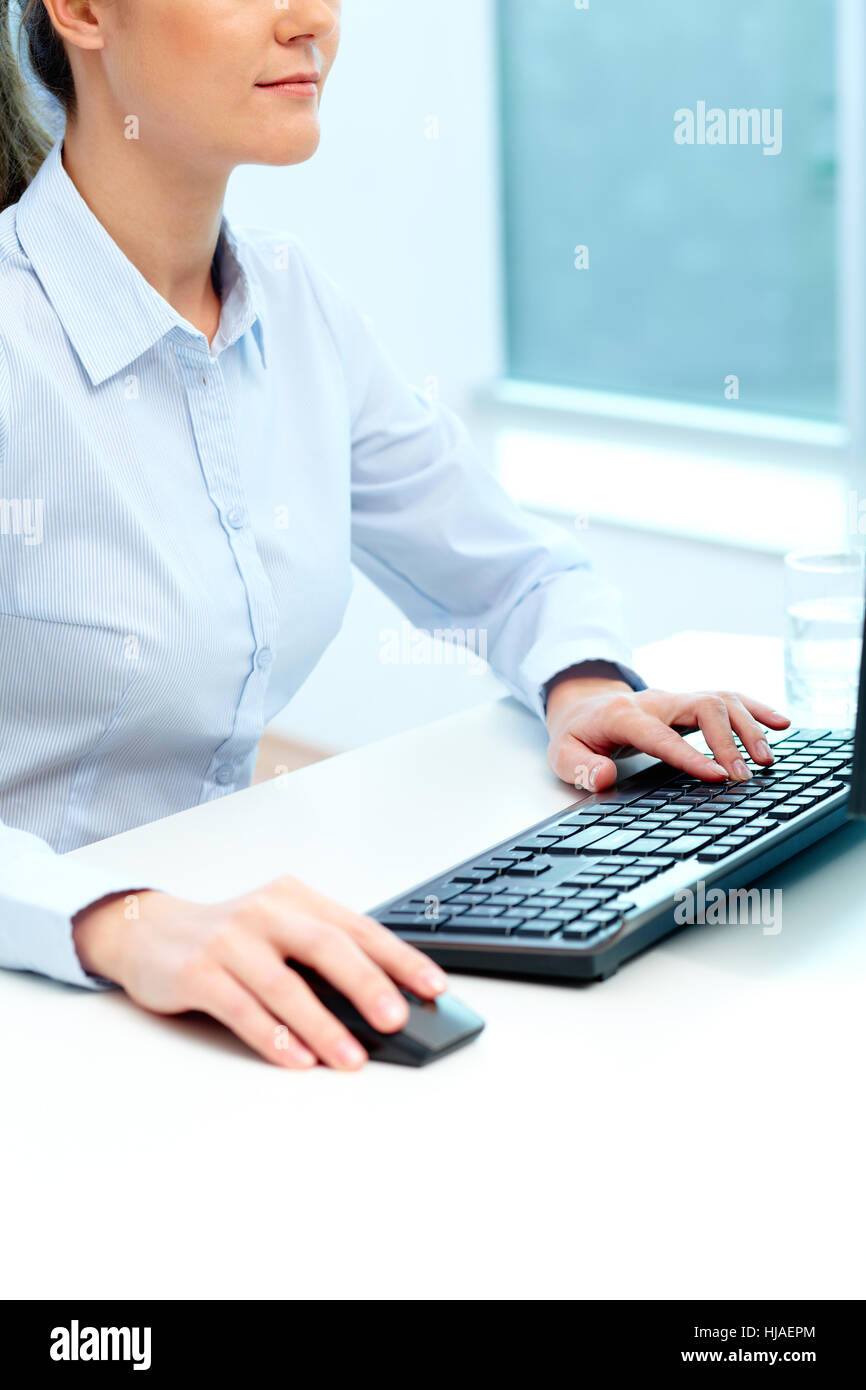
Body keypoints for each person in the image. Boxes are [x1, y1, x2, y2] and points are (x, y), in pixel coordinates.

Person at [0, 0, 789, 1069]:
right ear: (86, 13)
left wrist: (588, 690)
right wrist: (116, 917)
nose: (312, 18)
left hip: (216, 970)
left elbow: (510, 574)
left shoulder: (294, 306)